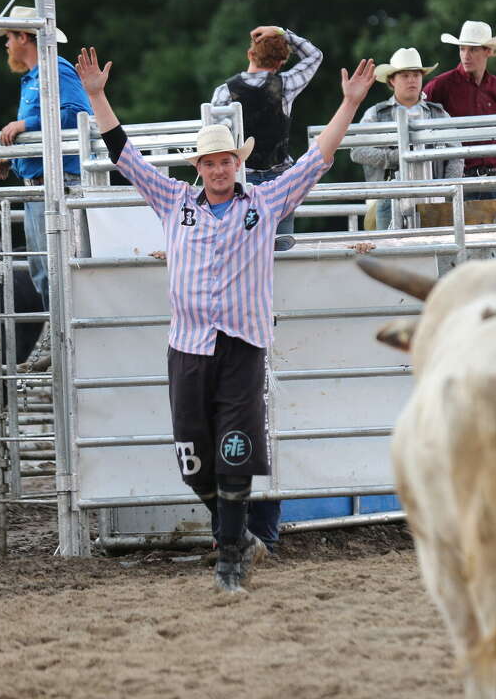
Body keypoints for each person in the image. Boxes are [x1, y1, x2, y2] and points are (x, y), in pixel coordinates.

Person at [77, 44, 375, 593]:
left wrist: (349, 105)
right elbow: (125, 155)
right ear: (199, 168)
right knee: (193, 459)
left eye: (226, 161)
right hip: (189, 345)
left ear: (238, 163)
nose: (218, 169)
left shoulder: (264, 202)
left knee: (235, 449)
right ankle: (235, 534)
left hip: (241, 344)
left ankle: (231, 556)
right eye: (210, 162)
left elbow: (317, 158)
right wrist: (98, 96)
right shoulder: (174, 201)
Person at [0, 6, 93, 371]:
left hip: (58, 185)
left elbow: (76, 114)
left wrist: (24, 124)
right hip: (42, 185)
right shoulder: (35, 77)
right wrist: (15, 155)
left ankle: (66, 338)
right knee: (45, 269)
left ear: (23, 37)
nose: (6, 46)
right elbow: (49, 131)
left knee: (56, 268)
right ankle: (62, 335)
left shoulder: (55, 69)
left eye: (8, 38)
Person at [211, 26, 323, 251]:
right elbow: (315, 56)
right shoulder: (286, 85)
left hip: (242, 178)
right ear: (280, 63)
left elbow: (214, 141)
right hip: (281, 178)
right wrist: (281, 32)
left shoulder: (224, 91)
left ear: (250, 54)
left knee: (241, 248)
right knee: (282, 249)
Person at [350, 48, 463, 230]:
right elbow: (357, 151)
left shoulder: (439, 113)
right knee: (388, 245)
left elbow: (457, 154)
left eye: (416, 75)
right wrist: (395, 157)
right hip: (387, 196)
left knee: (436, 245)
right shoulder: (376, 114)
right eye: (405, 75)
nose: (412, 80)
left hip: (434, 196)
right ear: (392, 80)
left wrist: (447, 190)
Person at [423, 20, 496, 197]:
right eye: (462, 49)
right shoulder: (440, 86)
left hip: (490, 180)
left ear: (488, 51)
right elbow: (419, 119)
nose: (466, 55)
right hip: (455, 180)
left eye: (473, 50)